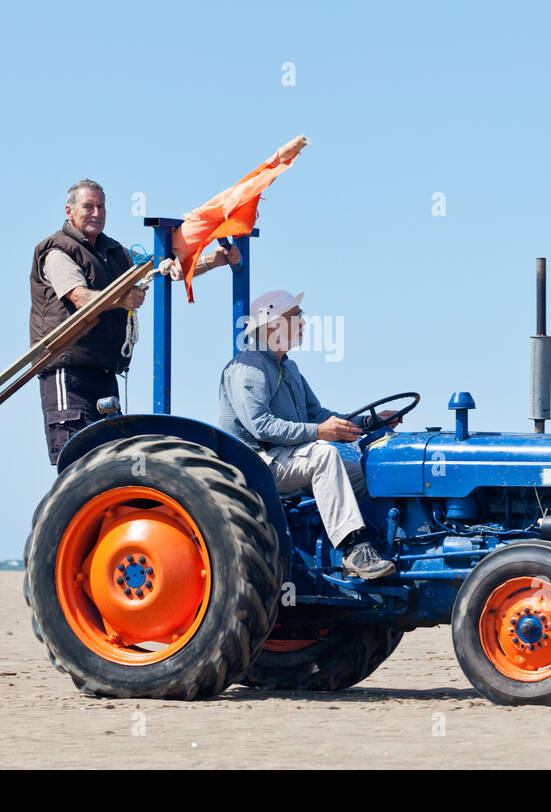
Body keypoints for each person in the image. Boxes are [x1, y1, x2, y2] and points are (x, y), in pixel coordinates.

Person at [30, 180, 239, 464]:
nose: (96, 213)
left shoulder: (113, 251)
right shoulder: (58, 250)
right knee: (76, 460)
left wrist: (214, 261)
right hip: (69, 370)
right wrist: (120, 300)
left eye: (101, 207)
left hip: (104, 370)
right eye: (88, 206)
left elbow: (162, 269)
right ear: (69, 211)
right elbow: (79, 297)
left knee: (109, 461)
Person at [217, 290, 397, 579]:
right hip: (259, 464)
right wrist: (319, 433)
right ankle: (354, 549)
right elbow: (261, 425)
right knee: (323, 455)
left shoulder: (288, 367)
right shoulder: (248, 367)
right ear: (272, 324)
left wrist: (369, 421)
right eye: (295, 316)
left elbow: (317, 415)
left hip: (288, 458)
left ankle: (390, 540)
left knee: (370, 472)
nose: (303, 322)